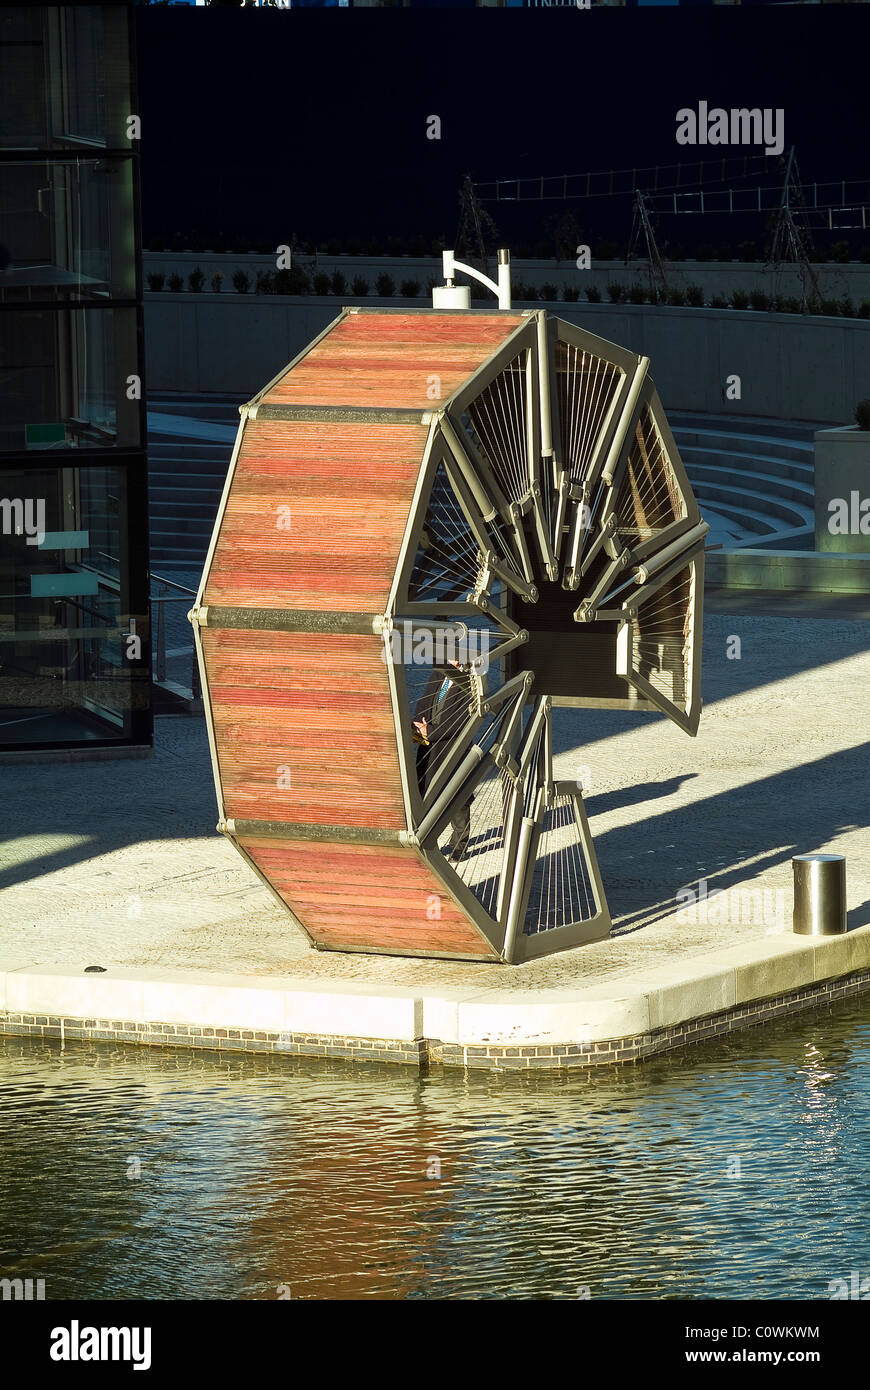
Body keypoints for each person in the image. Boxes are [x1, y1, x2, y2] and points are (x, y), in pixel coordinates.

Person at [413, 660, 474, 861]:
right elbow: (424, 703)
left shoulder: (469, 682)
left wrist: (430, 732)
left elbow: (461, 721)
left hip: (453, 747)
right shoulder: (439, 674)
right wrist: (417, 727)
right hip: (430, 748)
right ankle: (431, 844)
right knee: (427, 794)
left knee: (457, 798)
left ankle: (459, 846)